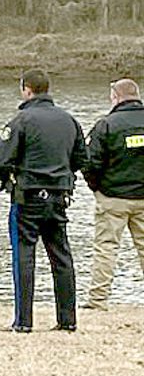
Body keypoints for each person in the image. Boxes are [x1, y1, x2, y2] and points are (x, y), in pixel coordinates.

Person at [0, 69, 86, 333]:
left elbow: (0, 162)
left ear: (27, 89)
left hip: (28, 196)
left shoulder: (21, 120)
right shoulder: (69, 120)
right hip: (59, 196)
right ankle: (67, 319)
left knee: (24, 255)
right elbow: (82, 158)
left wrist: (11, 179)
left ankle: (23, 321)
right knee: (62, 256)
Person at [82, 78, 144, 309]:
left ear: (116, 97)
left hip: (113, 197)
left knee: (106, 248)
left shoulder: (106, 125)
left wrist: (97, 188)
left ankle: (98, 299)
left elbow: (89, 163)